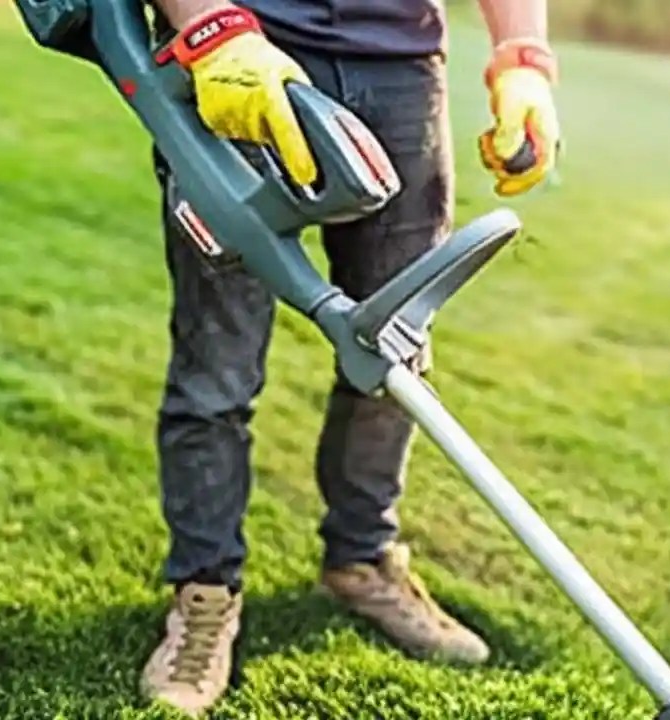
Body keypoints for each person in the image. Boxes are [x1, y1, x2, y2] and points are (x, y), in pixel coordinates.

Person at [139, 0, 562, 714]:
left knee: (396, 356)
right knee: (217, 368)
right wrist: (207, 25)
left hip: (401, 74)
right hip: (240, 55)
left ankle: (363, 559)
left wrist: (522, 53)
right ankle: (203, 594)